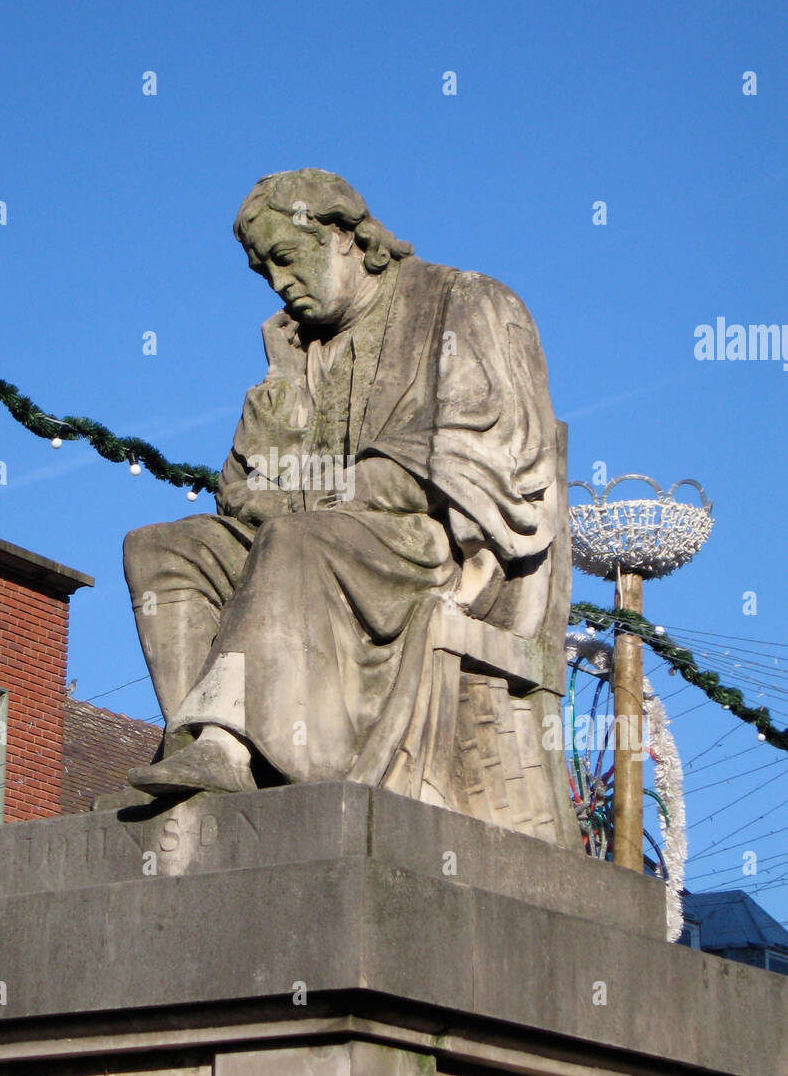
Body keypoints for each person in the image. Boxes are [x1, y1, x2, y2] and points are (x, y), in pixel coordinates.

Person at [124, 169, 561, 798]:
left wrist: (317, 493)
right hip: (309, 539)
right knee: (160, 549)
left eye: (286, 258)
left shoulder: (462, 301)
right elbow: (240, 491)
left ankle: (228, 745)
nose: (279, 283)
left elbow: (476, 450)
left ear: (345, 236)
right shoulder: (301, 350)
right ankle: (196, 744)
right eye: (264, 272)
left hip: (421, 547)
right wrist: (278, 384)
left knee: (293, 541)